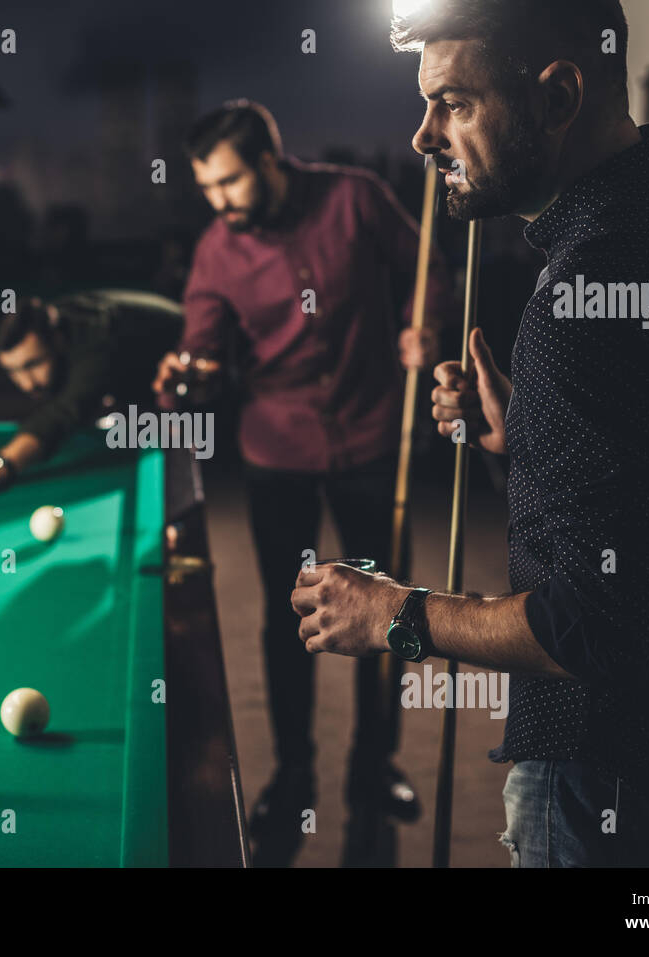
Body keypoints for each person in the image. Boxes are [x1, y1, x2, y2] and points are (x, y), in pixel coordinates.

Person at [292, 0, 649, 867]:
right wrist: (531, 437)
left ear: (558, 97)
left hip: (607, 765)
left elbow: (596, 627)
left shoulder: (583, 300)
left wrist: (394, 615)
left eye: (453, 103)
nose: (421, 136)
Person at [153, 101, 455, 866]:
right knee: (293, 614)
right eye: (205, 187)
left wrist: (424, 323)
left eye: (227, 181)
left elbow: (426, 266)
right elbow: (204, 349)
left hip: (373, 434)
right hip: (276, 446)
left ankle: (374, 764)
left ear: (268, 160)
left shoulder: (354, 196)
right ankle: (293, 776)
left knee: (390, 606)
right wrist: (191, 376)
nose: (217, 200)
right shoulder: (217, 251)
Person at [0, 289, 182, 499]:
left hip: (199, 363)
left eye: (33, 364)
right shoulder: (55, 326)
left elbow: (62, 414)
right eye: (12, 371)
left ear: (57, 340)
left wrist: (2, 462)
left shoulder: (96, 340)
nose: (27, 384)